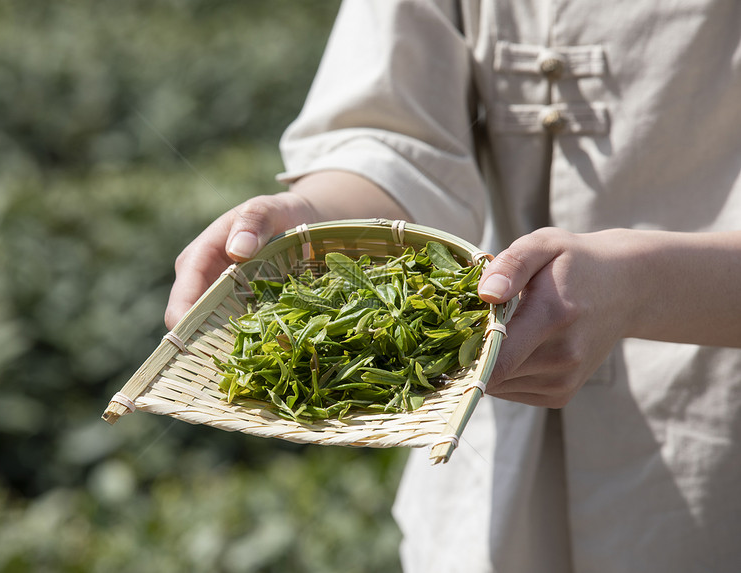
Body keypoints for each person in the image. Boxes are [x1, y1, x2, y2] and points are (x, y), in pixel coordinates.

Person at [165, 1, 741, 571]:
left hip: (707, 434)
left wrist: (642, 286)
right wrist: (315, 220)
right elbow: (395, 134)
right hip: (477, 411)